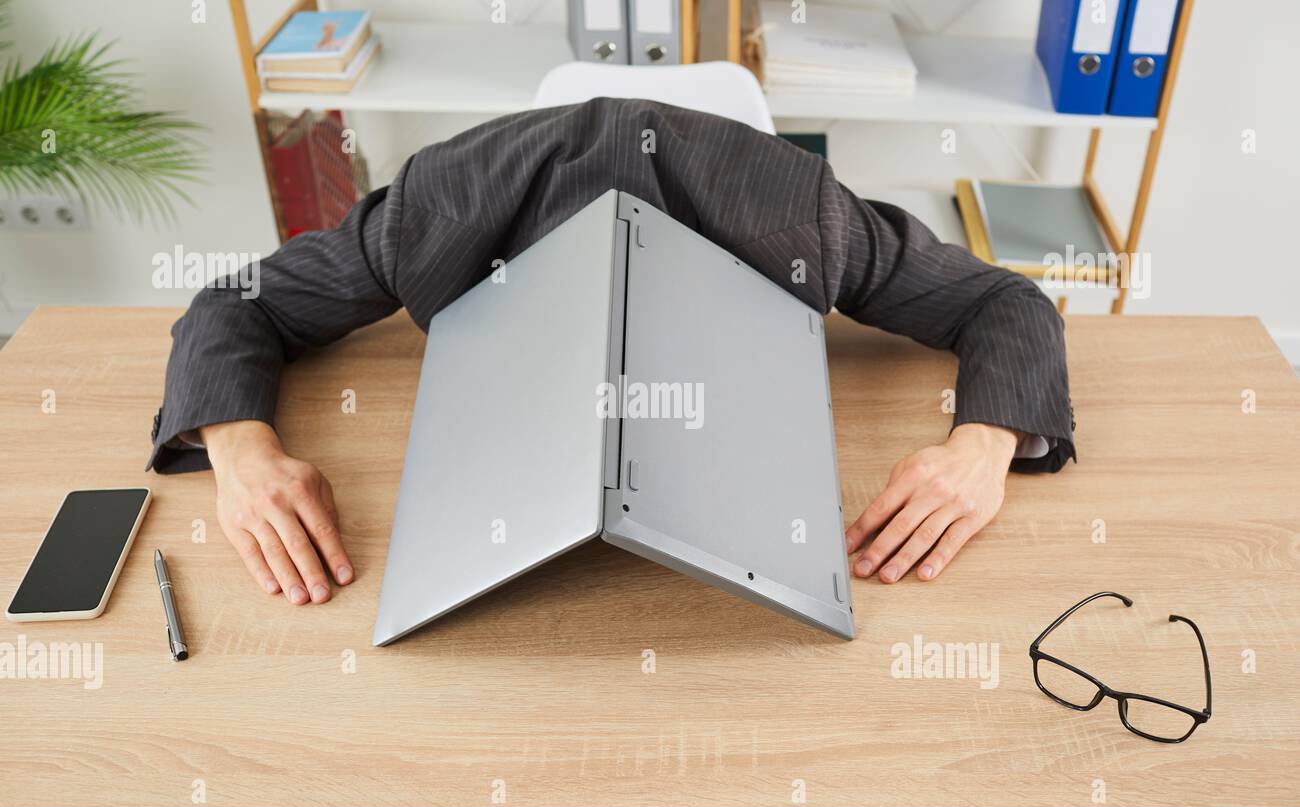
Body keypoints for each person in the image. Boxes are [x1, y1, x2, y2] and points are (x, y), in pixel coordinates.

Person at [148, 98, 1075, 607]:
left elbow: (1004, 299)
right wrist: (244, 453)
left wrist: (980, 447)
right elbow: (235, 304)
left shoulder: (800, 216)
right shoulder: (436, 216)